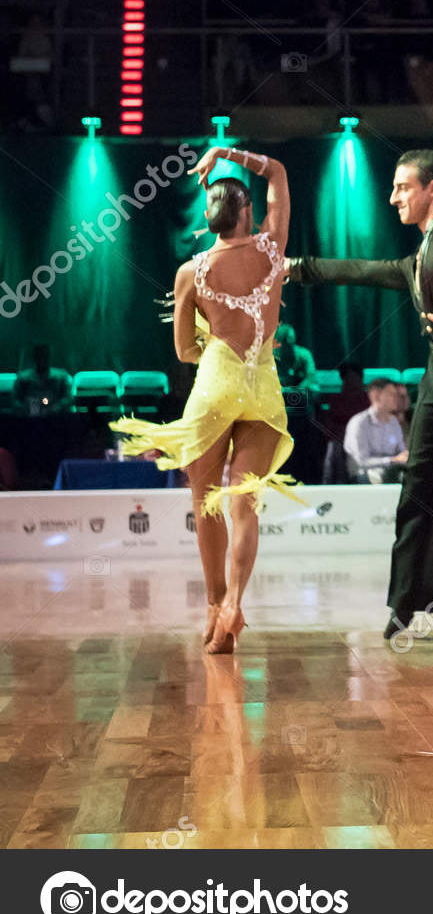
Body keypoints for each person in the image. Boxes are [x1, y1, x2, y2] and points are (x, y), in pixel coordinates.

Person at [287, 149, 433, 647]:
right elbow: (366, 270)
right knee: (419, 492)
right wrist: (297, 267)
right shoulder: (421, 254)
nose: (393, 198)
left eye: (403, 187)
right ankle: (406, 605)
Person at [110, 148, 297, 654]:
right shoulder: (273, 249)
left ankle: (214, 607)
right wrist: (228, 153)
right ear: (248, 213)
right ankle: (235, 603)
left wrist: (214, 343)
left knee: (205, 503)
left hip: (215, 387)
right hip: (262, 386)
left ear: (211, 218)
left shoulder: (190, 272)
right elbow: (277, 170)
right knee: (244, 505)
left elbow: (183, 350)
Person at [344, 379, 409, 483]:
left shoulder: (394, 422)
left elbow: (401, 451)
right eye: (391, 394)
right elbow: (361, 461)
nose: (396, 399)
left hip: (390, 472)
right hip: (363, 475)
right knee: (385, 477)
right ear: (375, 396)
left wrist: (406, 456)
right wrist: (392, 460)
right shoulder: (359, 422)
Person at [13, 344, 74, 416]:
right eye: (39, 356)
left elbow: (68, 398)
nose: (42, 360)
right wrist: (26, 409)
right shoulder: (22, 378)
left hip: (56, 419)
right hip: (28, 419)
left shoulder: (61, 377)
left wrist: (57, 408)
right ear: (34, 358)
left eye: (45, 356)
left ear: (49, 358)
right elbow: (15, 400)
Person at [272, 322, 316, 391]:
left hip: (303, 392)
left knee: (313, 388)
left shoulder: (304, 355)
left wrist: (295, 390)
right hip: (283, 392)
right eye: (284, 342)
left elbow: (310, 377)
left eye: (290, 341)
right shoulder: (274, 357)